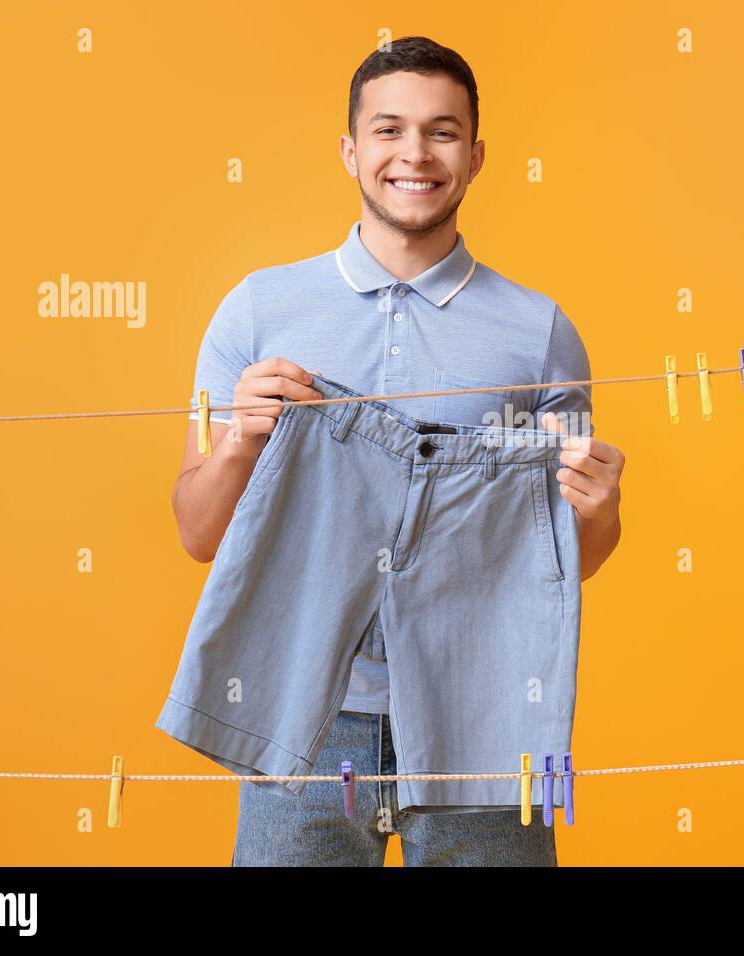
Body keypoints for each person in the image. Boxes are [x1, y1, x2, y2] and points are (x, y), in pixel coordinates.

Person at [170, 36, 625, 866]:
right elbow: (201, 536)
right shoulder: (258, 313)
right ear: (351, 150)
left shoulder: (539, 334)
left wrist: (602, 512)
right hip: (303, 709)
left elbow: (568, 559)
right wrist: (240, 439)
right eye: (389, 130)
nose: (414, 153)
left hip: (481, 712)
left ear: (476, 155)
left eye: (441, 132)